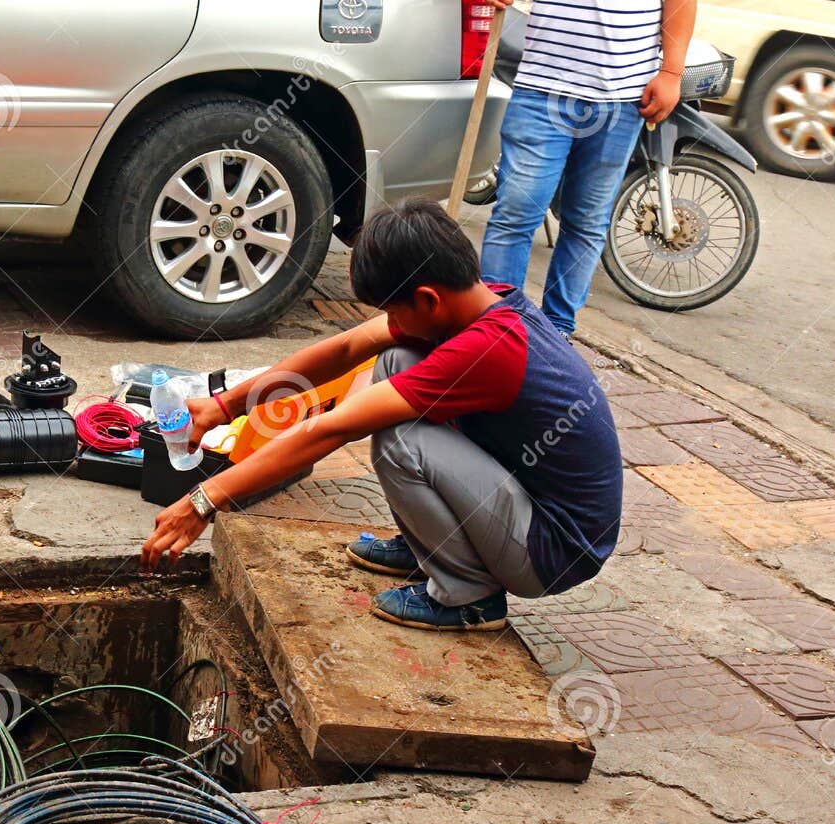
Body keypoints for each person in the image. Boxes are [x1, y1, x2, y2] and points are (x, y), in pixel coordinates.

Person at [140, 198, 622, 632]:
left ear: (429, 299)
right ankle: (429, 548)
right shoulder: (477, 300)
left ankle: (469, 597)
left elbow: (333, 428)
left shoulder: (488, 349)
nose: (387, 325)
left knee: (396, 433)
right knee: (392, 361)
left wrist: (204, 500)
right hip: (523, 506)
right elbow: (347, 347)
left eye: (393, 312)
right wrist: (224, 405)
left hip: (551, 548)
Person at [481, 0, 697, 335]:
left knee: (585, 223)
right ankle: (496, 333)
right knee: (517, 213)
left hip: (622, 99)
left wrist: (671, 72)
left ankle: (557, 334)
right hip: (542, 89)